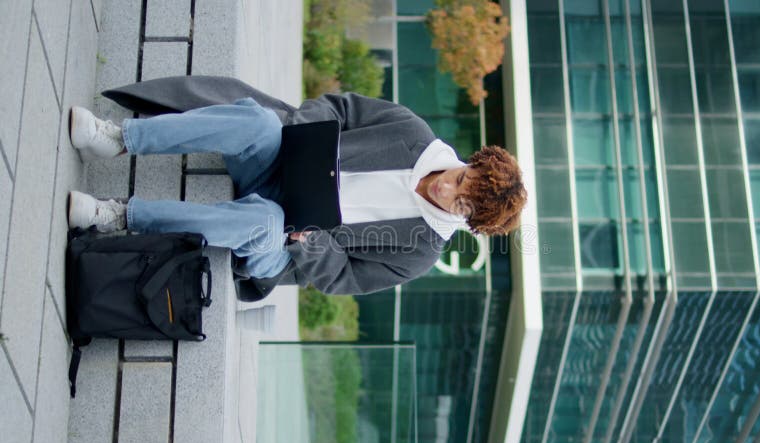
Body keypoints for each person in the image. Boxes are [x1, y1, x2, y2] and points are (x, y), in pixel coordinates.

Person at [67, 86, 527, 298]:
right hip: (279, 161)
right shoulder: (412, 132)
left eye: (459, 200)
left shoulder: (420, 252)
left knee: (263, 221)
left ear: (467, 219)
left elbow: (344, 279)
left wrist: (311, 243)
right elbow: (339, 107)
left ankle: (119, 215)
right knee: (260, 122)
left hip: (283, 244)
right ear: (473, 162)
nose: (448, 187)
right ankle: (117, 138)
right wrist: (302, 137)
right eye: (463, 177)